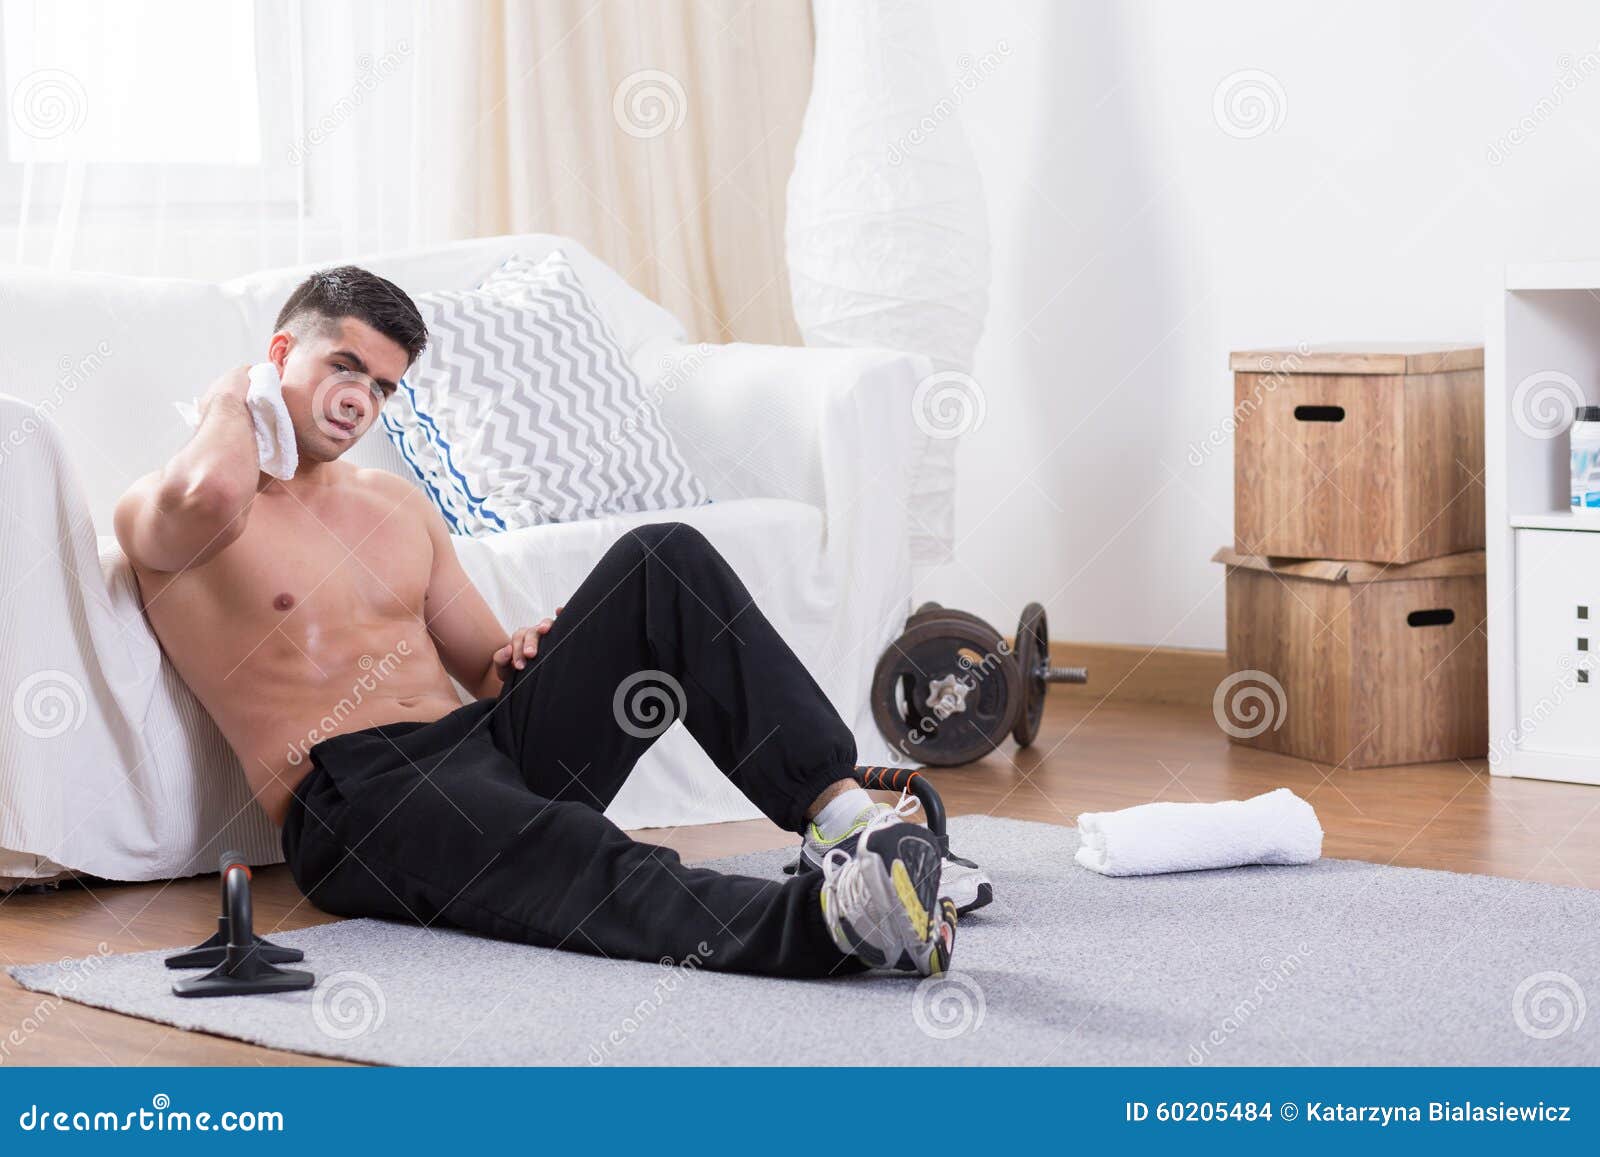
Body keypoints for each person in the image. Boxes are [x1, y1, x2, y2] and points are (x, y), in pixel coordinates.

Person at [114, 265, 989, 979]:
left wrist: (529, 654)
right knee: (574, 847)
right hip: (361, 800)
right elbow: (212, 490)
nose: (360, 399)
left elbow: (487, 668)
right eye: (343, 367)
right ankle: (838, 920)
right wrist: (233, 397)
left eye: (382, 387)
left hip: (486, 744)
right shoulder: (175, 515)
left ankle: (844, 823)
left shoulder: (393, 505)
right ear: (278, 357)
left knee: (662, 559)